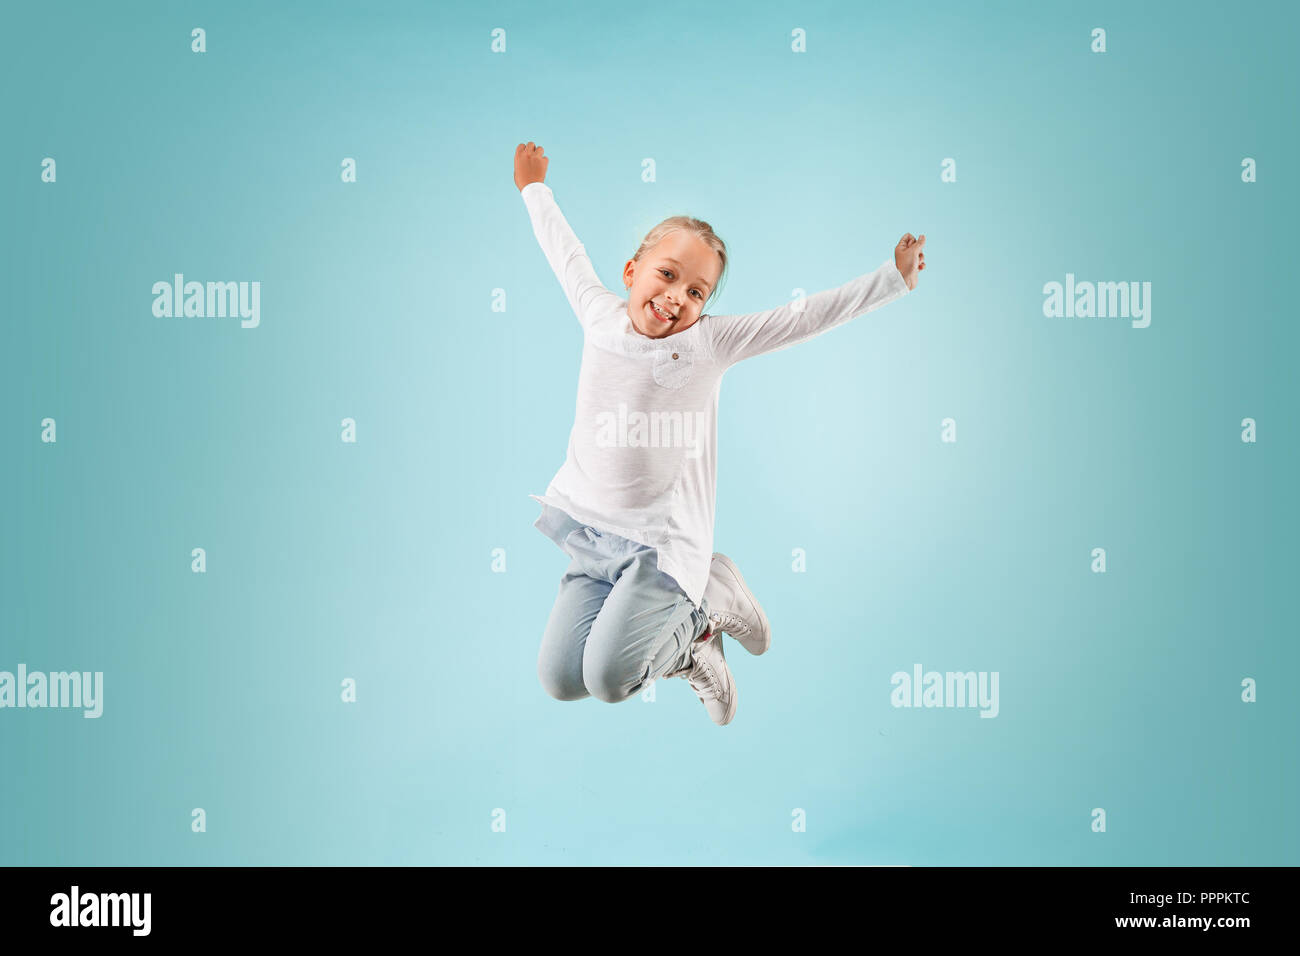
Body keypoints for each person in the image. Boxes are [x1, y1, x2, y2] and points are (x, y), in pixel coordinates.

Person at [515, 141, 925, 725]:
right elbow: (564, 250)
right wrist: (534, 187)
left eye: (697, 291)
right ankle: (698, 628)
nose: (676, 297)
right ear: (632, 272)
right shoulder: (598, 314)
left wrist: (892, 280)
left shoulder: (707, 343)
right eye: (667, 275)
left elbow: (801, 318)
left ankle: (709, 606)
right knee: (560, 680)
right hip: (592, 538)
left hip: (660, 548)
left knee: (609, 680)